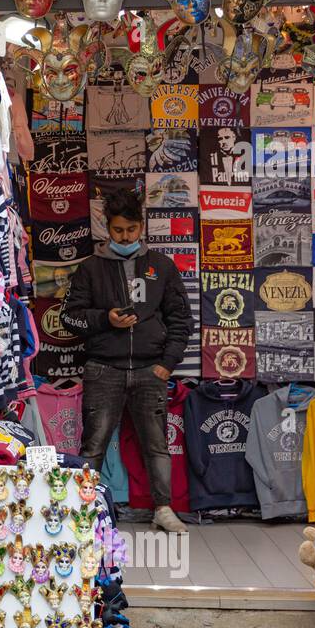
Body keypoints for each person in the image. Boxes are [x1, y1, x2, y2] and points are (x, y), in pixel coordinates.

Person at [60, 188, 193, 533]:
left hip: (151, 369)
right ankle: (81, 509)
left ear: (141, 227)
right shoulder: (90, 268)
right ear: (107, 227)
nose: (125, 237)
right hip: (103, 368)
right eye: (118, 230)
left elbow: (181, 319)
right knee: (93, 444)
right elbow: (68, 318)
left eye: (131, 230)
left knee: (157, 444)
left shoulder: (162, 266)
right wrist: (106, 319)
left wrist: (168, 363)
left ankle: (163, 509)